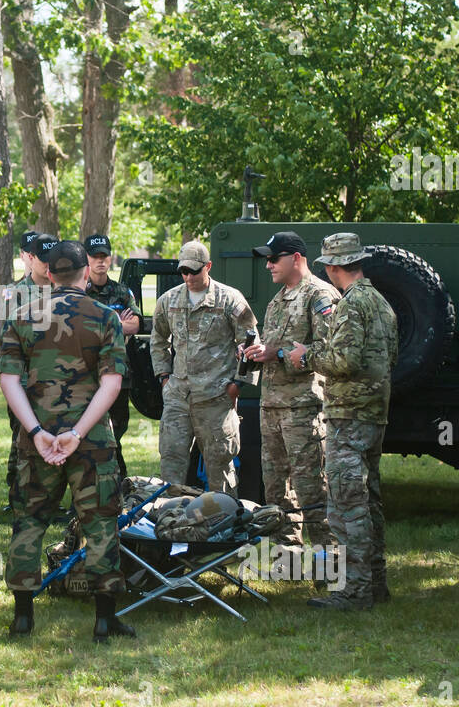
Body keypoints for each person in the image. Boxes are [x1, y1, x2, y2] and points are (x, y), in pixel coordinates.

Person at [0, 240, 133, 642]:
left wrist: (37, 432)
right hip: (91, 441)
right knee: (101, 525)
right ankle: (104, 620)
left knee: (28, 522)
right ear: (83, 274)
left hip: (36, 439)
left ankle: (23, 616)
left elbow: (8, 380)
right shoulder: (104, 316)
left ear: (50, 275)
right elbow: (112, 382)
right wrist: (76, 433)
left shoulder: (21, 316)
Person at [288, 233, 398, 611]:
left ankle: (354, 591)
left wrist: (306, 355)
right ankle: (376, 584)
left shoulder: (352, 306)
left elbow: (344, 361)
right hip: (373, 414)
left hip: (348, 416)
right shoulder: (382, 304)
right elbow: (390, 356)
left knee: (346, 506)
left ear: (334, 268)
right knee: (369, 503)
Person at [239, 231, 341, 553]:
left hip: (303, 410)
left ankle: (327, 563)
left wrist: (278, 353)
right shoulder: (277, 300)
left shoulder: (320, 296)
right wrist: (256, 354)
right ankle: (288, 561)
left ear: (295, 258)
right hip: (271, 408)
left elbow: (330, 353)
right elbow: (272, 349)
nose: (268, 265)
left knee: (312, 491)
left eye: (273, 258)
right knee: (276, 493)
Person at [151, 240, 257, 495]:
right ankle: (172, 524)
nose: (188, 277)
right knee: (171, 463)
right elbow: (158, 341)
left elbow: (251, 342)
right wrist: (164, 377)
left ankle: (224, 524)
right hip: (178, 397)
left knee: (220, 469)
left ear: (208, 267)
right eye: (183, 272)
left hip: (216, 398)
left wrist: (238, 384)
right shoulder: (168, 301)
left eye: (194, 271)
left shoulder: (230, 299)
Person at [0, 231, 57, 513]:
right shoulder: (12, 294)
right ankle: (18, 497)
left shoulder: (64, 290)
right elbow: (8, 342)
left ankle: (50, 498)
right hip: (24, 382)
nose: (48, 266)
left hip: (58, 384)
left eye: (53, 260)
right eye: (43, 260)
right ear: (31, 258)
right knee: (21, 441)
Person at [83, 234, 141, 476]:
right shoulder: (80, 292)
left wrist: (102, 323)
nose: (100, 261)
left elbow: (135, 325)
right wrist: (116, 321)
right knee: (89, 431)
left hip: (118, 371)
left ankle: (117, 481)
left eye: (104, 256)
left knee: (116, 430)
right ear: (86, 259)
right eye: (95, 256)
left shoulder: (121, 291)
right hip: (87, 373)